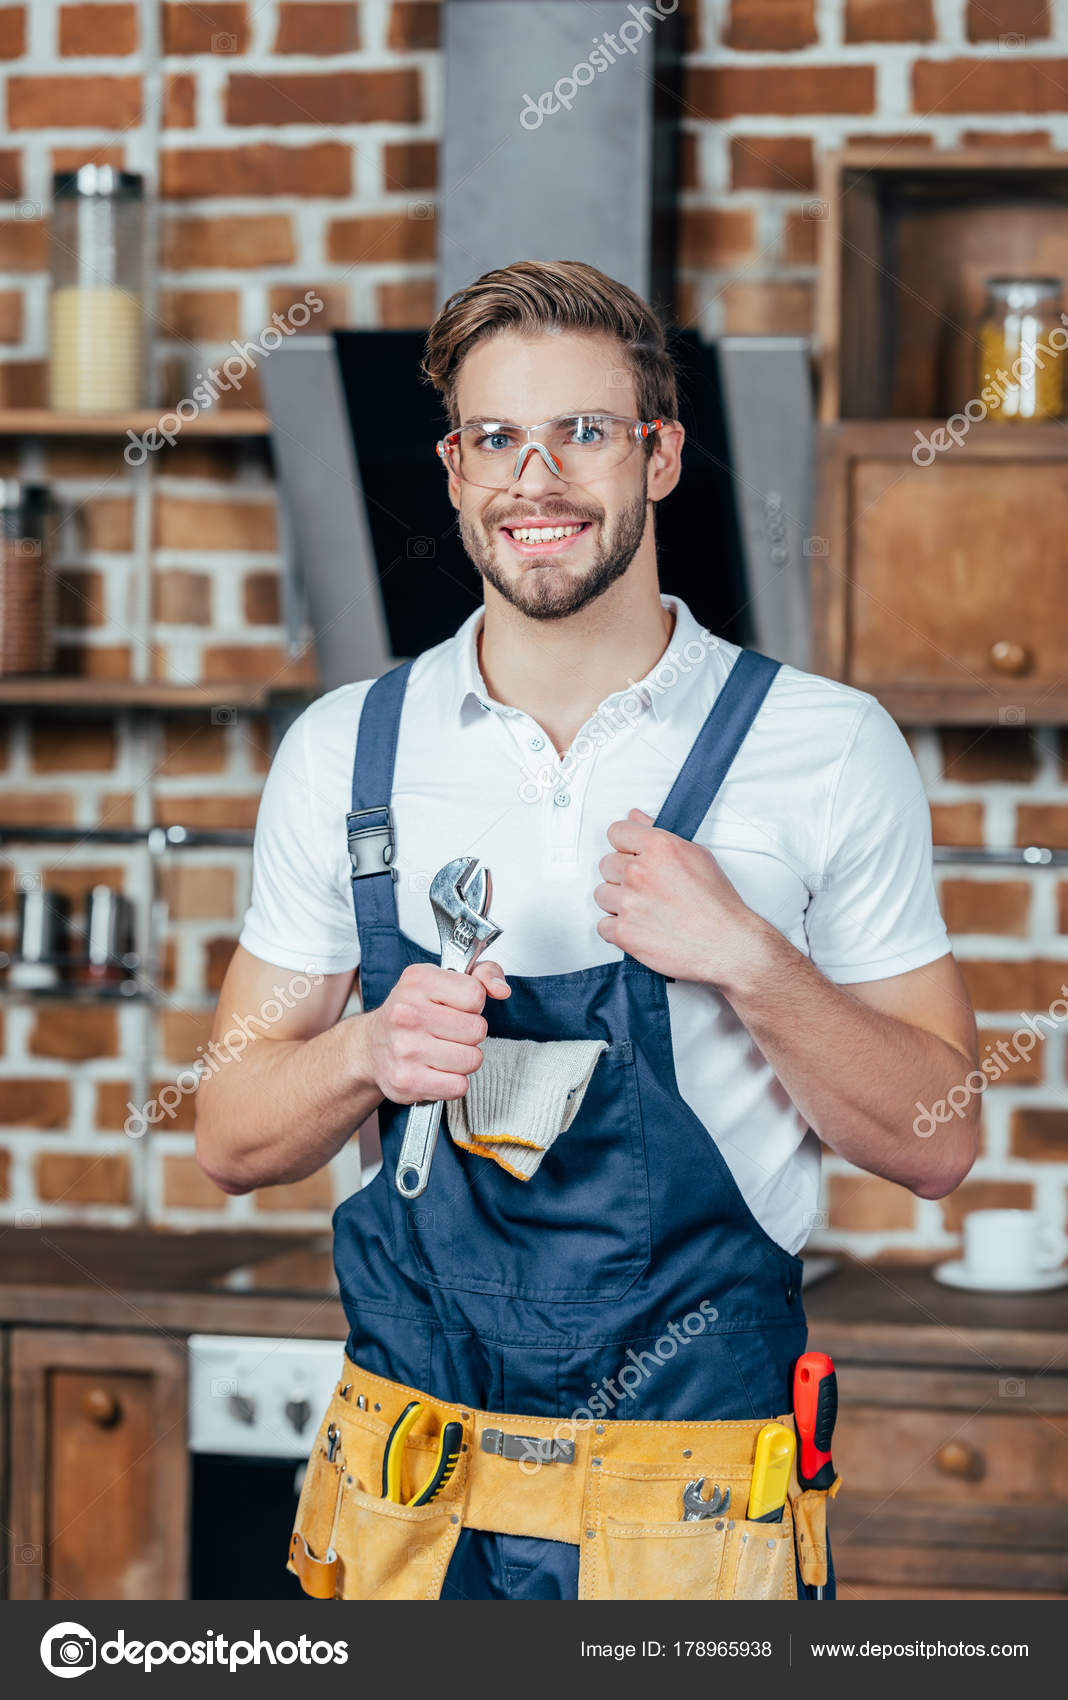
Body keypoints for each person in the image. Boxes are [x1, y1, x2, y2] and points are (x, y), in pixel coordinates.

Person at [196, 260, 978, 1602]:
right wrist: (366, 1054)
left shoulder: (822, 746)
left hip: (687, 1514)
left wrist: (748, 958)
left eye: (586, 433)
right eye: (497, 436)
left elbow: (940, 1139)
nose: (536, 480)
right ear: (452, 469)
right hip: (411, 1506)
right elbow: (227, 1132)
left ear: (661, 456)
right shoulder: (345, 754)